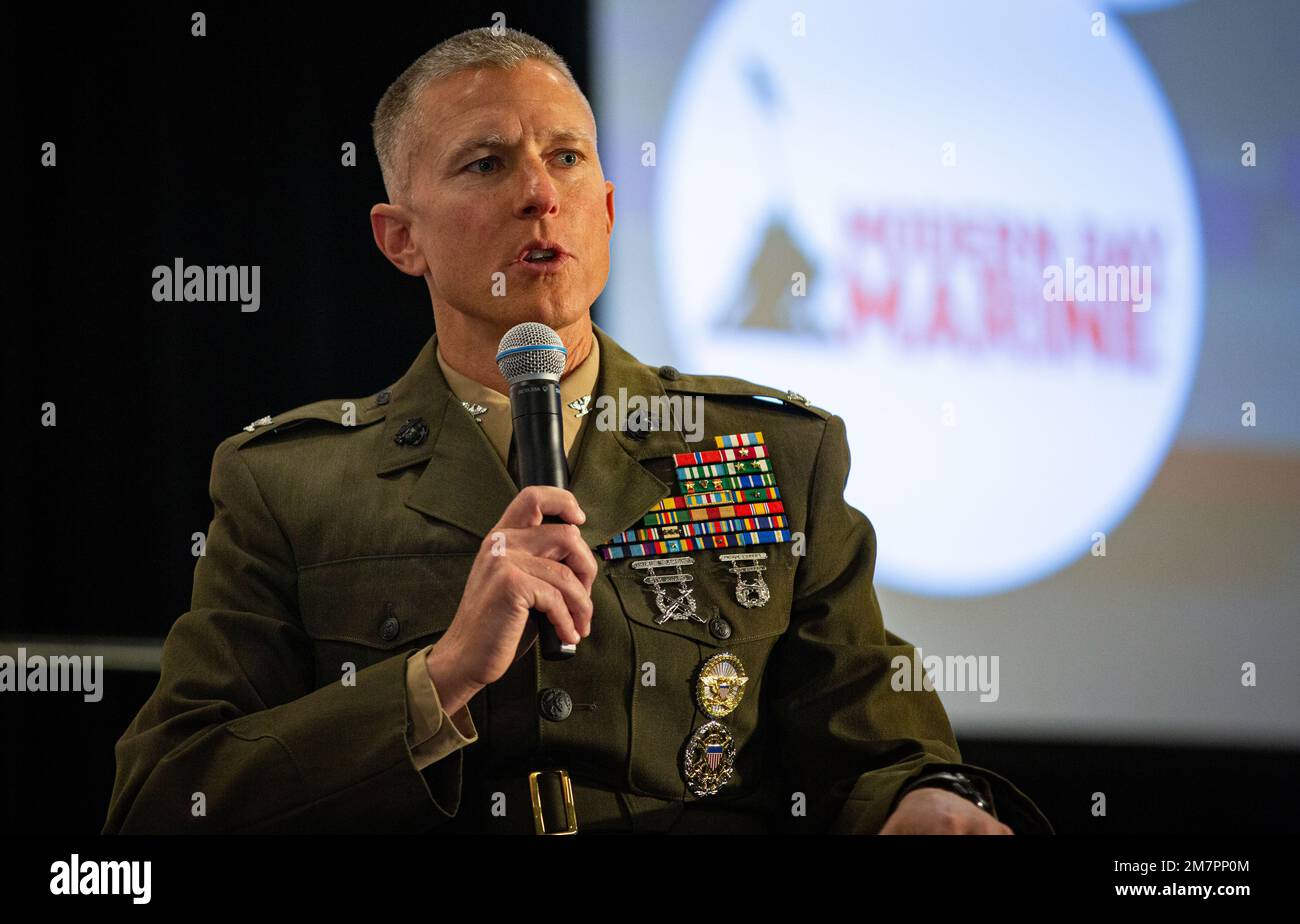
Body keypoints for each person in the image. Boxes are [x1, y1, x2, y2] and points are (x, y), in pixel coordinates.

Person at [103, 26, 1051, 835]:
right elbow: (163, 798)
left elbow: (871, 737)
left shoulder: (769, 454)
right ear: (401, 239)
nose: (539, 195)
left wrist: (921, 797)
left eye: (566, 158)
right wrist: (434, 681)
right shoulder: (290, 484)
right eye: (487, 163)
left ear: (603, 208)